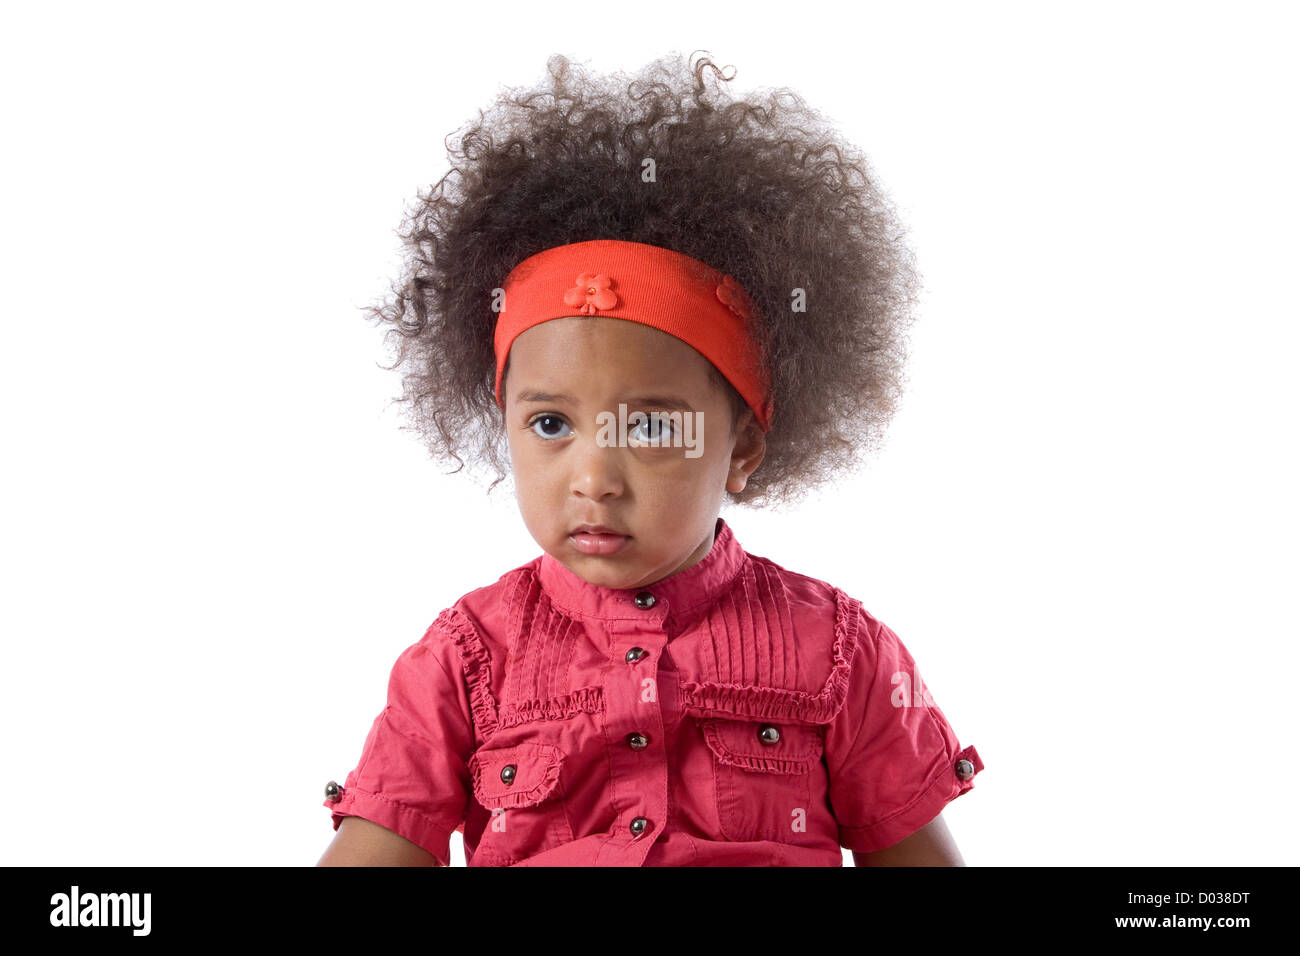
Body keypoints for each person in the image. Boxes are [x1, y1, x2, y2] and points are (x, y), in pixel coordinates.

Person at [317, 51, 983, 867]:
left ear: (741, 445)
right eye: (553, 424)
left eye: (653, 429)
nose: (594, 477)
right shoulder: (462, 662)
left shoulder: (842, 654)